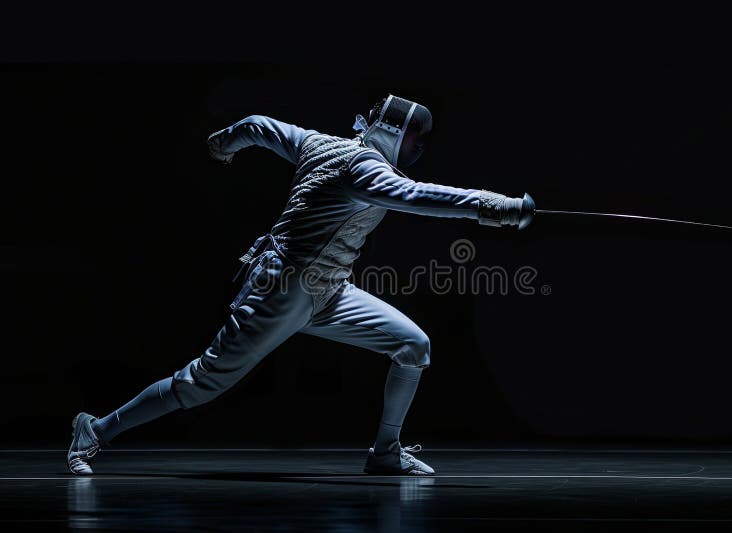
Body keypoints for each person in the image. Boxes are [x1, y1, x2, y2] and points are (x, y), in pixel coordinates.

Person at [67, 94, 535, 476]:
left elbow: (257, 124)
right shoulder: (364, 169)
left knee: (413, 345)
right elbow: (416, 196)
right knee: (201, 384)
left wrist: (222, 144)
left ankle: (385, 452)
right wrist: (496, 207)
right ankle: (96, 429)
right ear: (394, 132)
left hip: (328, 291)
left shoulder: (316, 142)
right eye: (417, 139)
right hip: (278, 291)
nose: (419, 150)